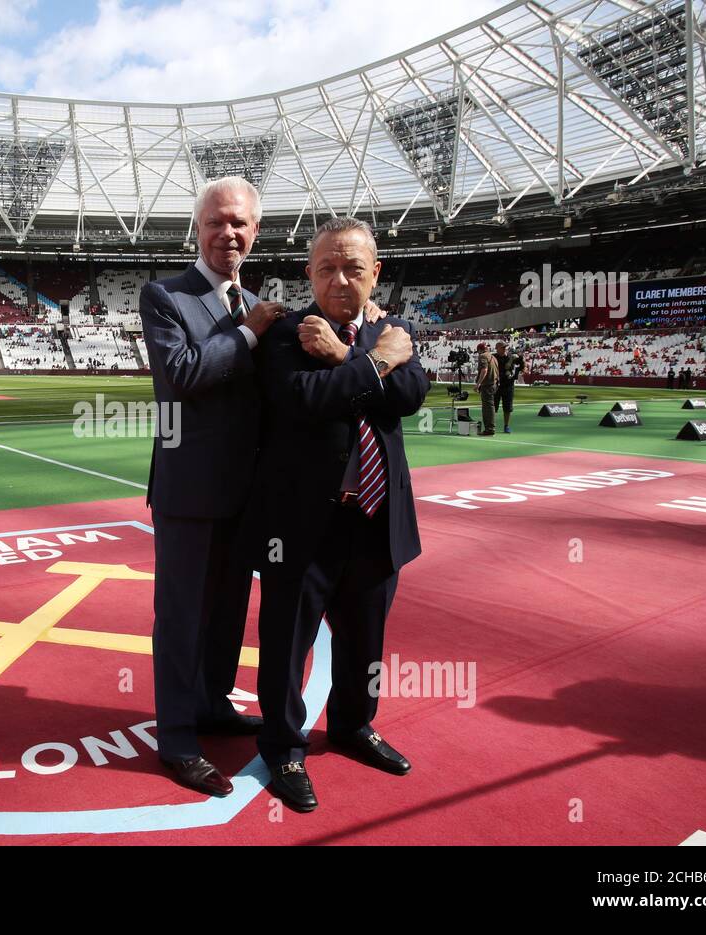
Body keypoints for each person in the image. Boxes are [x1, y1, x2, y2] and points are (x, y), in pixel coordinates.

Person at [243, 217, 427, 811]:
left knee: (365, 641)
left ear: (376, 272)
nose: (339, 278)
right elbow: (306, 401)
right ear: (309, 274)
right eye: (326, 267)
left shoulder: (392, 328)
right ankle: (283, 746)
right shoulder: (283, 333)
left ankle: (353, 725)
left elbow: (410, 398)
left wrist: (346, 355)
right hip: (301, 524)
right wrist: (372, 364)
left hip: (374, 517)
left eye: (353, 267)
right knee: (285, 641)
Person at [139, 176, 284, 797]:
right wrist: (249, 333)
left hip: (243, 494)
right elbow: (181, 375)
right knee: (180, 616)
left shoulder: (253, 302)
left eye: (241, 223)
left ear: (255, 232)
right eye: (218, 221)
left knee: (228, 612)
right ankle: (175, 736)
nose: (230, 232)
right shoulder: (166, 295)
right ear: (197, 229)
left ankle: (212, 706)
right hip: (187, 491)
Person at [493, 341, 522, 434]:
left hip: (508, 384)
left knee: (508, 407)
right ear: (497, 348)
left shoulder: (511, 357)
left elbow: (521, 364)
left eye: (505, 347)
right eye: (502, 347)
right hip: (496, 384)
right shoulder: (493, 357)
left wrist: (520, 358)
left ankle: (506, 426)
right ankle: (491, 425)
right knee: (493, 406)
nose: (505, 349)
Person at [474, 342, 498, 435]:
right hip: (493, 384)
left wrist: (478, 384)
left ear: (479, 350)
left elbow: (484, 370)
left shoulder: (483, 356)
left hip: (487, 384)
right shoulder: (493, 357)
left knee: (487, 408)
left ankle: (489, 429)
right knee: (490, 406)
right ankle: (490, 428)